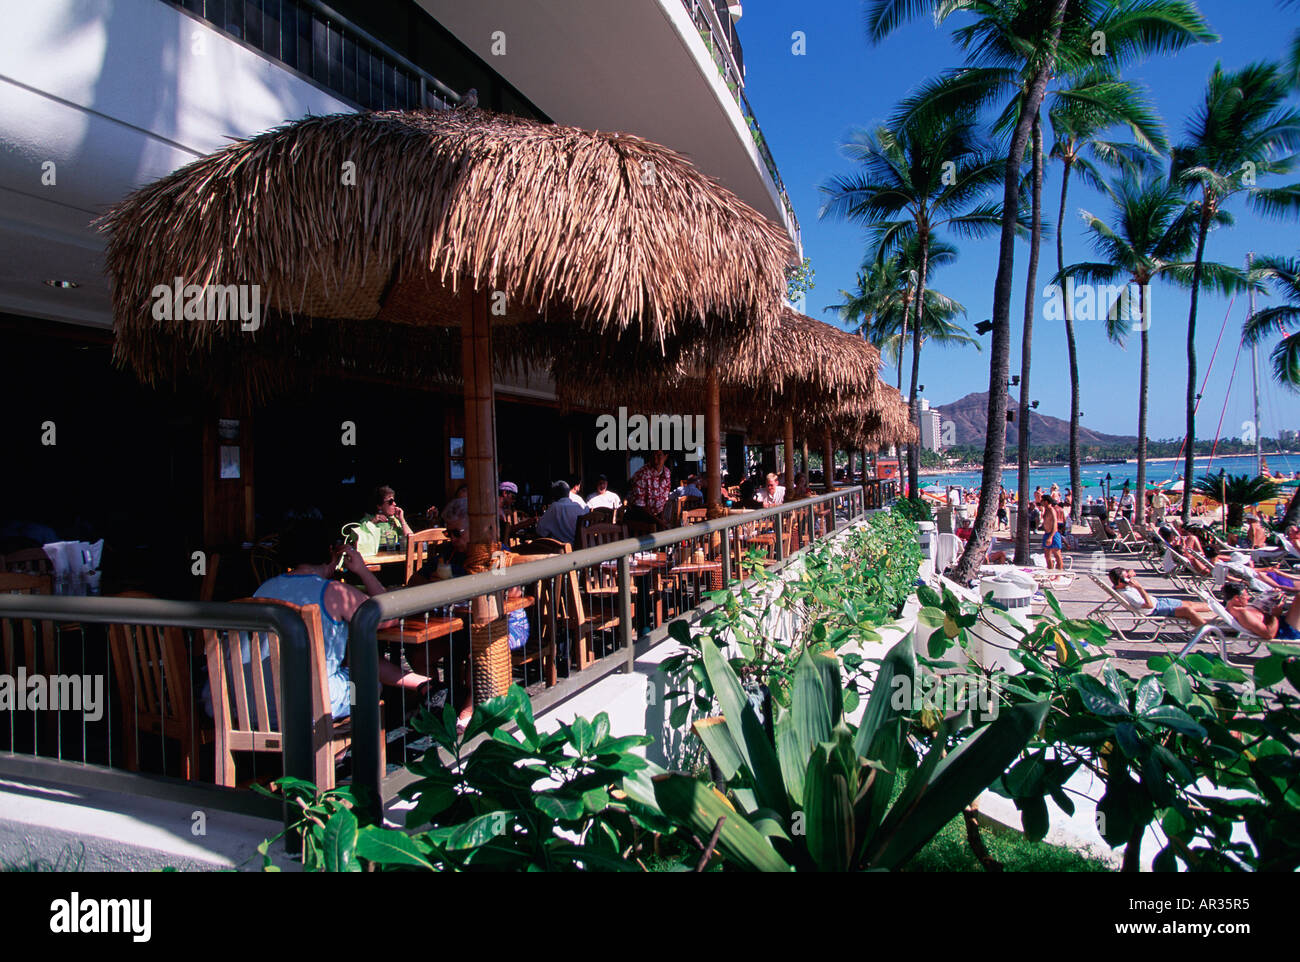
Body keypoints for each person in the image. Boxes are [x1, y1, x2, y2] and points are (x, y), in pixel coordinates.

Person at [254, 521, 431, 721]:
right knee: (366, 682)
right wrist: (363, 571)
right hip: (313, 706)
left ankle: (423, 683)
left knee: (350, 657)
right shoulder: (335, 592)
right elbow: (389, 616)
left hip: (251, 704)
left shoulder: (264, 589)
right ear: (331, 552)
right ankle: (349, 737)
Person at [1108, 567, 1212, 627]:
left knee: (1192, 604)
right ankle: (1208, 630)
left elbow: (1130, 572)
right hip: (1156, 609)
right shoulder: (1127, 594)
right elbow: (1149, 606)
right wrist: (1140, 588)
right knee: (1188, 610)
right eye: (1127, 577)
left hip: (1159, 601)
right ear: (1120, 580)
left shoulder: (1120, 586)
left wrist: (1128, 573)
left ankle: (1221, 611)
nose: (1130, 578)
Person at [1222, 582, 1300, 640]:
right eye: (1245, 595)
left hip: (1278, 622)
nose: (1248, 597)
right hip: (1283, 631)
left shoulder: (1232, 608)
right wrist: (1276, 614)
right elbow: (1269, 635)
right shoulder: (1243, 614)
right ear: (1236, 598)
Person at [536, 480, 590, 546]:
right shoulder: (578, 505)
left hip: (562, 550)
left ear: (554, 495)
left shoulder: (555, 507)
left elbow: (540, 531)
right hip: (582, 547)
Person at [627, 450, 673, 526]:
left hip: (656, 520)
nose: (655, 460)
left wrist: (662, 519)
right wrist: (659, 522)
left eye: (659, 456)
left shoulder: (667, 473)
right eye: (653, 456)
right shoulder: (641, 475)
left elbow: (663, 500)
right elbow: (638, 507)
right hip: (639, 522)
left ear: (665, 457)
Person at [367, 485, 413, 551]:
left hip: (395, 557)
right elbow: (358, 537)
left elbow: (411, 539)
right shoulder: (368, 520)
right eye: (390, 501)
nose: (395, 504)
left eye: (394, 501)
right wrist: (372, 522)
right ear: (379, 505)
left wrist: (402, 520)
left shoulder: (394, 521)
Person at [1040, 496, 1064, 570]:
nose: (1041, 502)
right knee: (1047, 556)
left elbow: (1055, 524)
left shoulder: (1051, 510)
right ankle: (1050, 571)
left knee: (1057, 555)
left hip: (1053, 534)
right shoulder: (1046, 510)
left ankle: (1059, 574)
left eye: (1042, 501)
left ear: (1046, 502)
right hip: (1047, 533)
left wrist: (1050, 537)